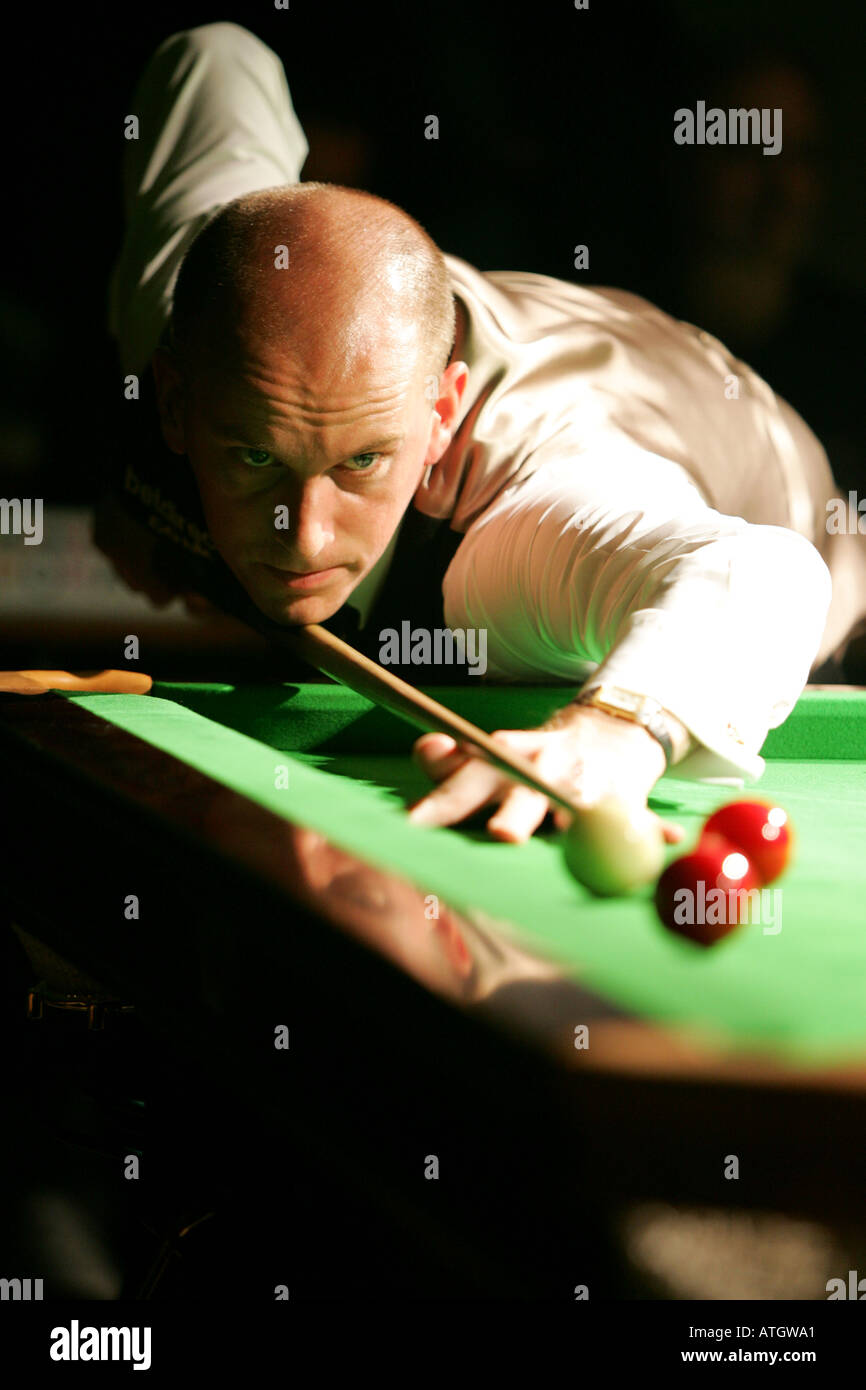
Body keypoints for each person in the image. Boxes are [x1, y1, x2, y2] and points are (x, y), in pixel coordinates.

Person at [100, 22, 866, 847]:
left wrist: (614, 728)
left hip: (803, 529)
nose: (304, 533)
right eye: (255, 455)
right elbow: (218, 55)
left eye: (362, 460)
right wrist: (146, 492)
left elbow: (761, 577)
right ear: (176, 404)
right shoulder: (194, 295)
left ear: (438, 417)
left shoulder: (521, 526)